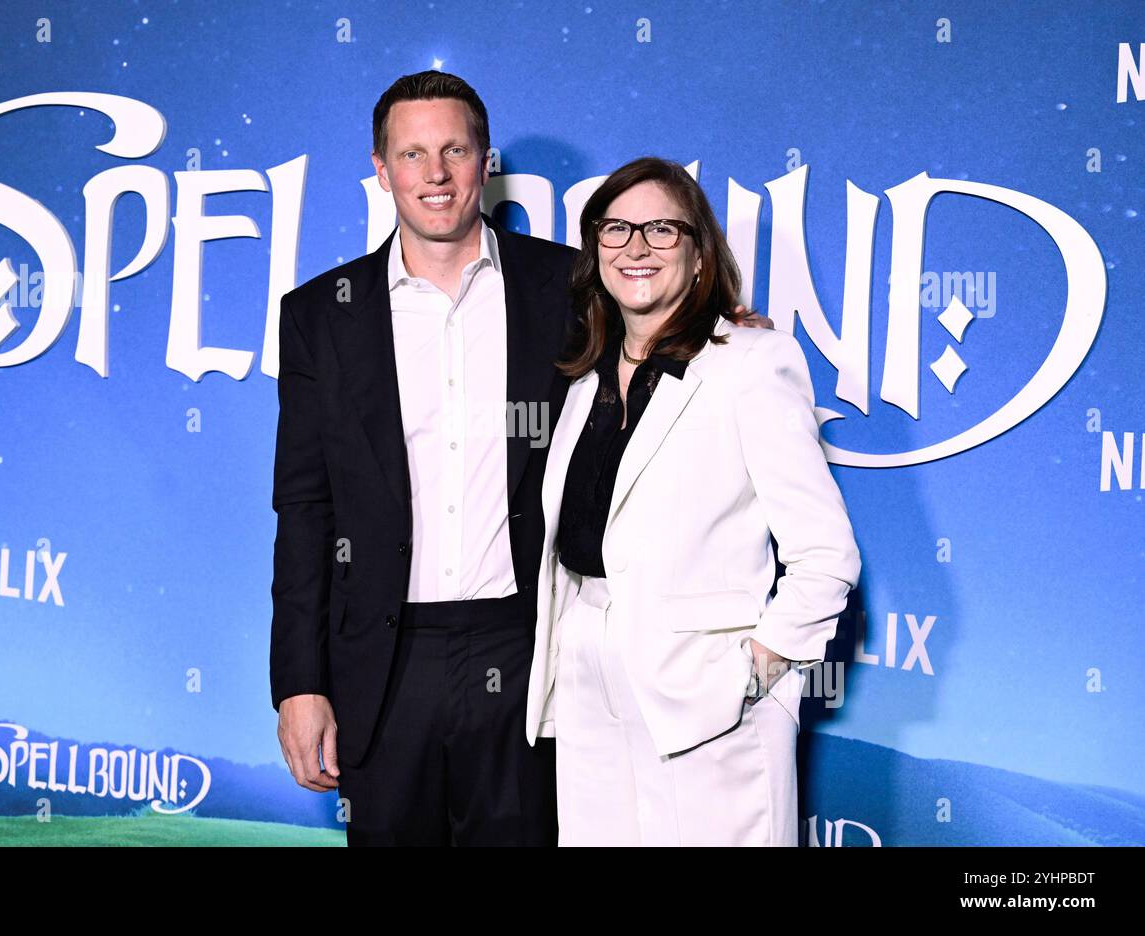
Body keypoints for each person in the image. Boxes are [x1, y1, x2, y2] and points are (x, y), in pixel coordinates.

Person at [270, 72, 767, 846]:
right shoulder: (318, 316)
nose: (435, 175)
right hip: (381, 660)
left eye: (454, 151)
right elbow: (303, 510)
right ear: (381, 168)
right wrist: (298, 683)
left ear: (484, 160)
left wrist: (727, 326)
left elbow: (665, 322)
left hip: (527, 652)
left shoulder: (569, 285)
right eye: (412, 154)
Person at [524, 156, 861, 846]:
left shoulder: (751, 363)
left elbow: (826, 556)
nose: (636, 248)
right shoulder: (585, 378)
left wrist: (751, 673)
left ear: (700, 252)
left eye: (661, 231)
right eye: (615, 229)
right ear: (594, 251)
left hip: (706, 689)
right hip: (588, 667)